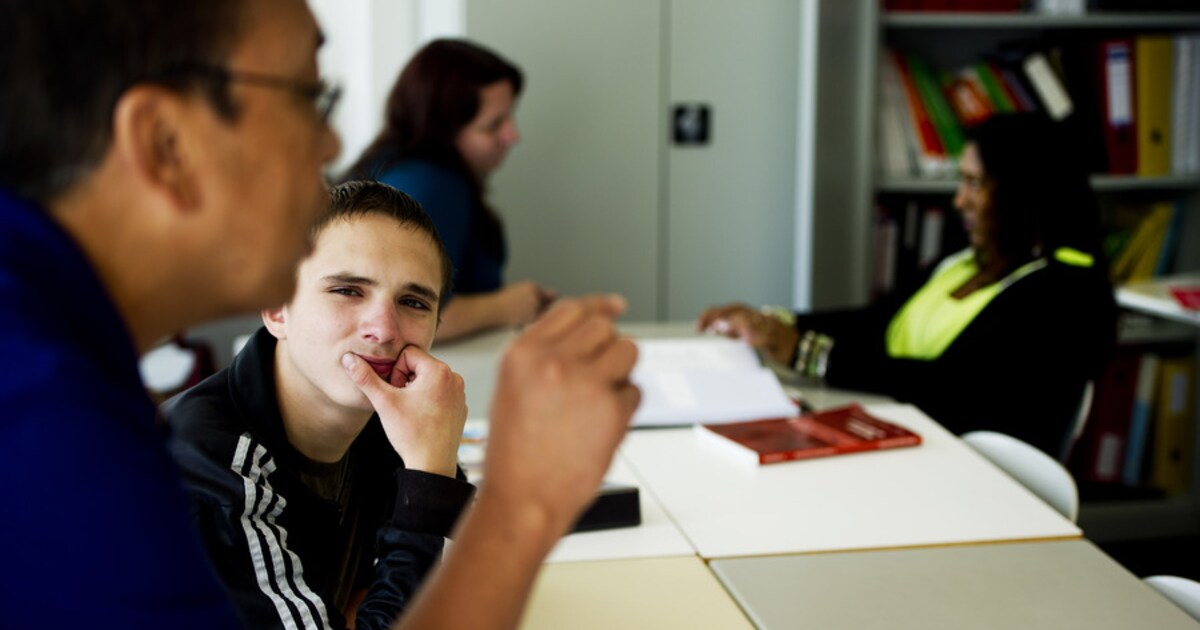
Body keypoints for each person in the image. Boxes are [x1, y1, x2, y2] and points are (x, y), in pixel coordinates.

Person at [0, 1, 639, 628]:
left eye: (415, 300)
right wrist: (520, 504)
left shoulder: (66, 369)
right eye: (309, 97)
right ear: (164, 142)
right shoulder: (52, 430)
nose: (333, 140)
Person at [698, 112, 1117, 458]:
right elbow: (877, 322)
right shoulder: (967, 261)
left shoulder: (1066, 292)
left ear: (1024, 192)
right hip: (903, 441)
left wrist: (807, 353)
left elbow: (952, 388)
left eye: (975, 183)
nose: (959, 200)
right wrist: (773, 322)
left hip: (966, 472)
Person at [163, 181, 474, 629]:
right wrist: (427, 475)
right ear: (276, 309)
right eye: (347, 290)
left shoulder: (384, 422)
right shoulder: (211, 465)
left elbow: (448, 568)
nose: (384, 330)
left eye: (412, 302)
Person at [342, 38, 556, 342]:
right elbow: (404, 315)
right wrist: (507, 305)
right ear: (442, 130)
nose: (512, 135)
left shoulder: (397, 167)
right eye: (493, 125)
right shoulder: (433, 184)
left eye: (510, 115)